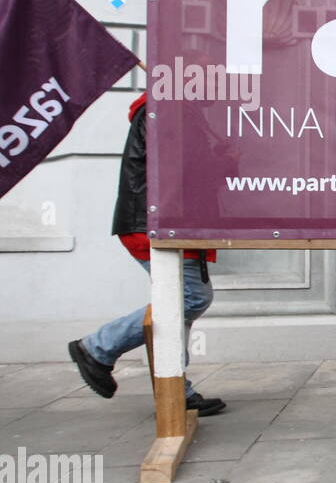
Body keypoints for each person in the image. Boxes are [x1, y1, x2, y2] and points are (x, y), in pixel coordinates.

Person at [68, 93, 226, 417]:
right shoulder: (169, 110)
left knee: (184, 301)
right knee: (188, 298)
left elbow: (196, 173)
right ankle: (97, 347)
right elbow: (184, 170)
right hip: (153, 224)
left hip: (166, 223)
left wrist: (226, 160)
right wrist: (220, 160)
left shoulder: (180, 111)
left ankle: (177, 390)